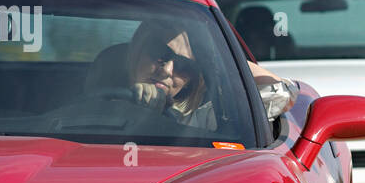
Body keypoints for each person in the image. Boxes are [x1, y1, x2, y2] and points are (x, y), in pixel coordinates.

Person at [125, 20, 298, 126]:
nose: (167, 70)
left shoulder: (198, 126)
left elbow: (282, 95)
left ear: (192, 79)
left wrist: (220, 59)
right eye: (160, 53)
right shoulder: (96, 105)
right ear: (138, 49)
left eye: (184, 65)